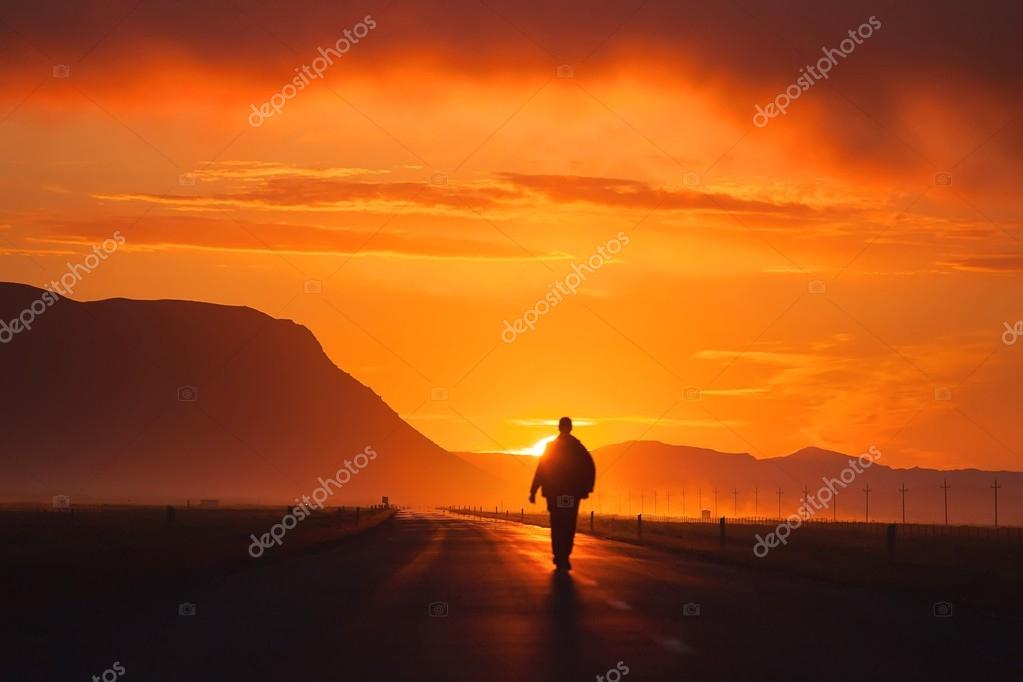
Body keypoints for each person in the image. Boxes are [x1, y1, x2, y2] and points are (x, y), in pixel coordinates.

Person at [529, 417, 596, 571]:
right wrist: (586, 489)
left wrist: (533, 491)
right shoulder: (578, 448)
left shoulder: (551, 447)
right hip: (571, 495)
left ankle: (559, 555)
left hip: (555, 494)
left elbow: (541, 470)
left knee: (557, 524)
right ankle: (564, 555)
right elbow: (590, 468)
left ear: (559, 428)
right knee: (568, 524)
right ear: (570, 428)